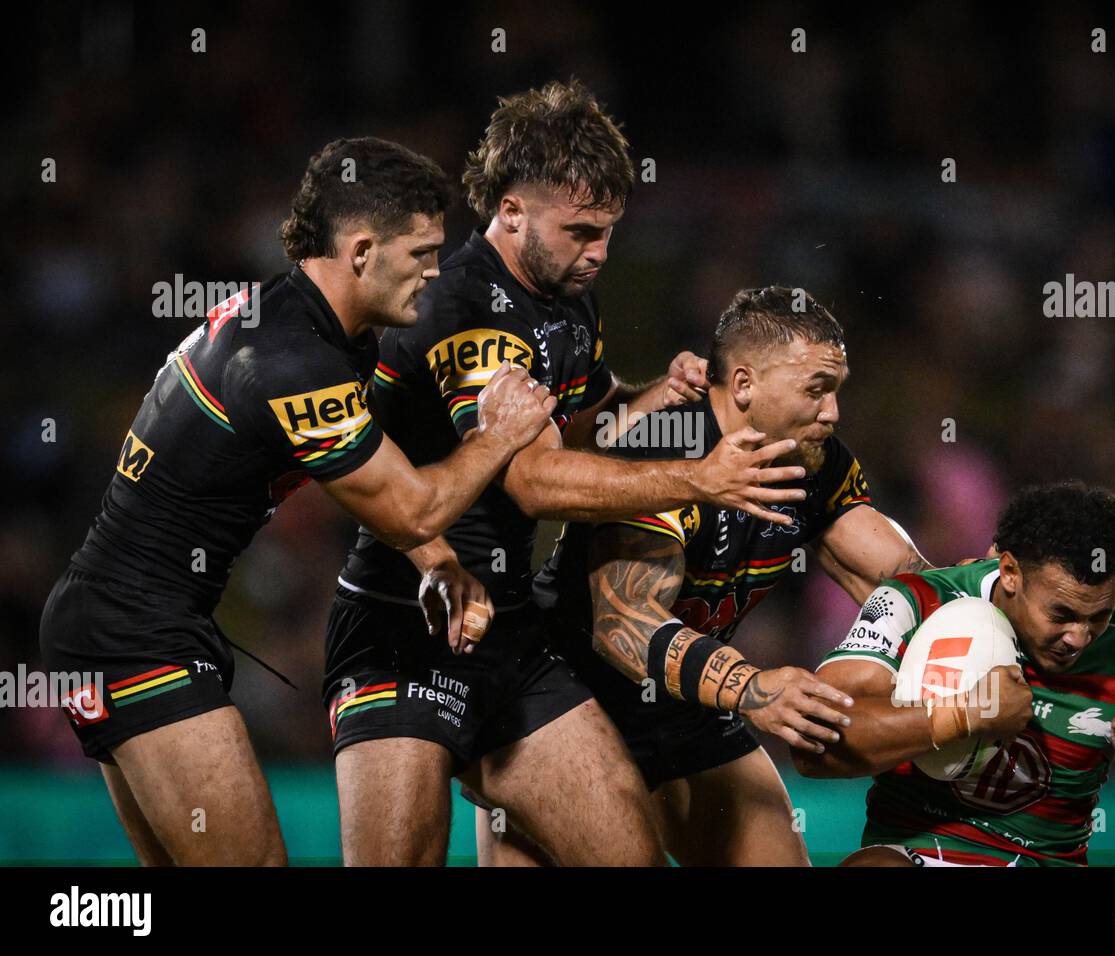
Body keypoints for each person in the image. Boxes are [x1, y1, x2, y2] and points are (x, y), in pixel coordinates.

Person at [325, 82, 807, 866]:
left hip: (508, 628)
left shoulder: (564, 298)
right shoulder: (466, 305)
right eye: (581, 231)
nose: (600, 253)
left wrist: (652, 397)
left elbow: (580, 426)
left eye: (610, 232)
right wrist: (698, 480)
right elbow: (532, 481)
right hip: (404, 626)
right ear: (511, 211)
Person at [38, 137, 555, 865]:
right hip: (134, 635)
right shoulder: (290, 361)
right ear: (363, 250)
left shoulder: (308, 326)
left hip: (121, 623)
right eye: (422, 253)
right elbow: (411, 507)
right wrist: (499, 435)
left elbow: (368, 481)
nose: (436, 273)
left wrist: (436, 561)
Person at [480, 285, 929, 865]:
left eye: (836, 390)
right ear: (744, 385)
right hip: (565, 702)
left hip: (684, 703)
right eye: (817, 390)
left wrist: (990, 601)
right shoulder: (663, 449)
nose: (833, 412)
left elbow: (900, 580)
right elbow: (624, 625)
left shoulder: (815, 461)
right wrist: (752, 689)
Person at [798, 481, 1115, 867]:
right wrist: (966, 716)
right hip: (914, 851)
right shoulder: (917, 602)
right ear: (1010, 573)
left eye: (1099, 616)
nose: (1079, 638)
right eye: (1061, 615)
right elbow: (816, 747)